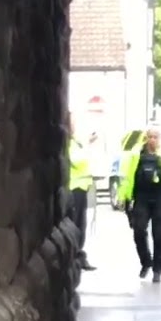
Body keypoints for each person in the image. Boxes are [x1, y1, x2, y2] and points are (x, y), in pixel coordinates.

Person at [114, 127, 161, 282]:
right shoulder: (135, 155)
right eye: (150, 137)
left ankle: (158, 269)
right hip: (142, 198)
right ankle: (146, 262)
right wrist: (122, 196)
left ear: (160, 139)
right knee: (138, 231)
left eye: (156, 137)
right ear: (145, 138)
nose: (152, 140)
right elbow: (126, 177)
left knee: (159, 236)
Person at [65, 112, 97, 272]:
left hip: (81, 187)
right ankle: (74, 255)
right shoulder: (68, 143)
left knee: (80, 224)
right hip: (74, 188)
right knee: (75, 224)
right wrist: (88, 148)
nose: (73, 126)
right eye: (71, 123)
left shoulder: (75, 142)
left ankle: (78, 254)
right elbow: (78, 161)